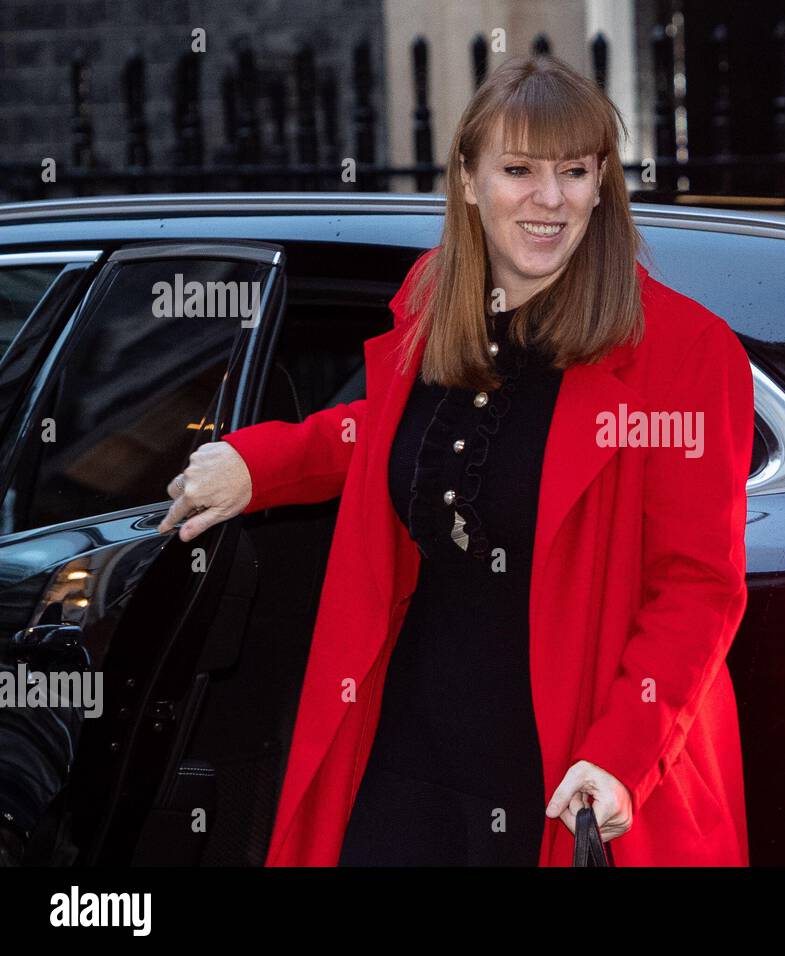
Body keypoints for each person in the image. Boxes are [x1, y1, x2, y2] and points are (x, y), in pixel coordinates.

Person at [158, 53, 753, 866]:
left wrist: (621, 757)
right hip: (409, 755)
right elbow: (396, 431)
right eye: (519, 170)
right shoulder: (436, 302)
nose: (550, 200)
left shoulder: (684, 353)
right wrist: (263, 464)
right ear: (469, 182)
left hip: (568, 773)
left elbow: (697, 586)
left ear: (602, 185)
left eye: (575, 172)